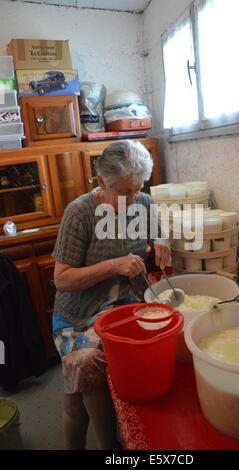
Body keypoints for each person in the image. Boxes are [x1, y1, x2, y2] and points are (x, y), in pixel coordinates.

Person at [52, 140, 171, 450]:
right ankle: (109, 448)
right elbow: (62, 280)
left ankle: (114, 444)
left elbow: (155, 229)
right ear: (101, 181)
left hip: (126, 304)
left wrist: (159, 240)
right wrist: (114, 265)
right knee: (81, 385)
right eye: (124, 192)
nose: (133, 200)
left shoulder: (142, 203)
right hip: (79, 312)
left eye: (138, 189)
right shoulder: (79, 213)